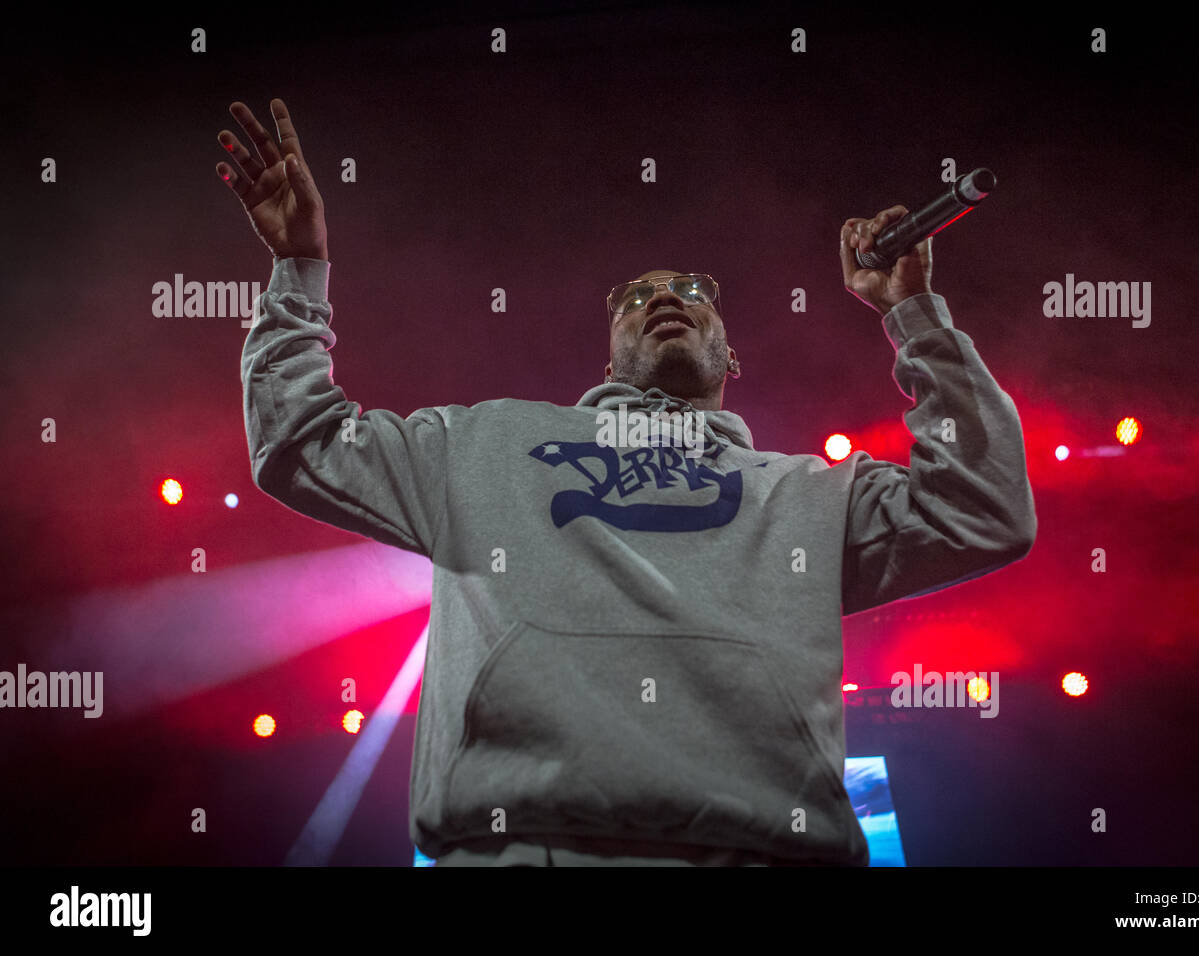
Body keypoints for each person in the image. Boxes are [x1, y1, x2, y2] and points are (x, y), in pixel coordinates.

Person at [218, 98, 1037, 867]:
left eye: (692, 292)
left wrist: (914, 312)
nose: (665, 298)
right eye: (635, 297)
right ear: (607, 362)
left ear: (732, 357)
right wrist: (298, 266)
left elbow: (981, 509)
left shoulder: (810, 495)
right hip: (526, 846)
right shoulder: (485, 444)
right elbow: (302, 439)